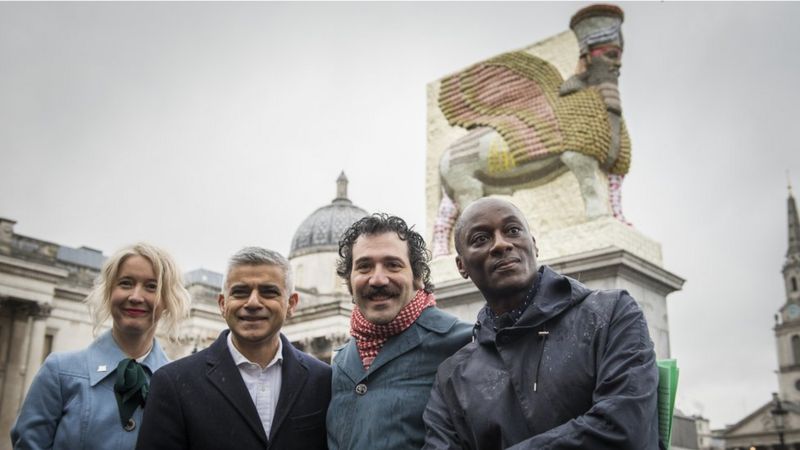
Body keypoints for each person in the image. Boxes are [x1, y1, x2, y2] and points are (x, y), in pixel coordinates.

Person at [423, 197, 660, 449]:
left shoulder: (612, 314)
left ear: (533, 245)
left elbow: (625, 429)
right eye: (481, 239)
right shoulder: (452, 376)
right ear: (462, 266)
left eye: (513, 231)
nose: (501, 244)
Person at [136, 247, 330, 450]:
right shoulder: (172, 382)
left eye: (268, 292)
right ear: (222, 304)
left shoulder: (323, 380)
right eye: (240, 292)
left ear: (291, 304)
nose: (253, 302)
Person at [11, 243, 191, 450]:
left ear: (168, 300)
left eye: (152, 287)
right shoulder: (59, 372)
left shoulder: (180, 386)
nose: (135, 296)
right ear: (109, 291)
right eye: (125, 283)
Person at [327, 214, 472, 450]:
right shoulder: (341, 361)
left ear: (418, 278)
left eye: (393, 265)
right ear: (349, 282)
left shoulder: (463, 344)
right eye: (364, 267)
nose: (378, 279)